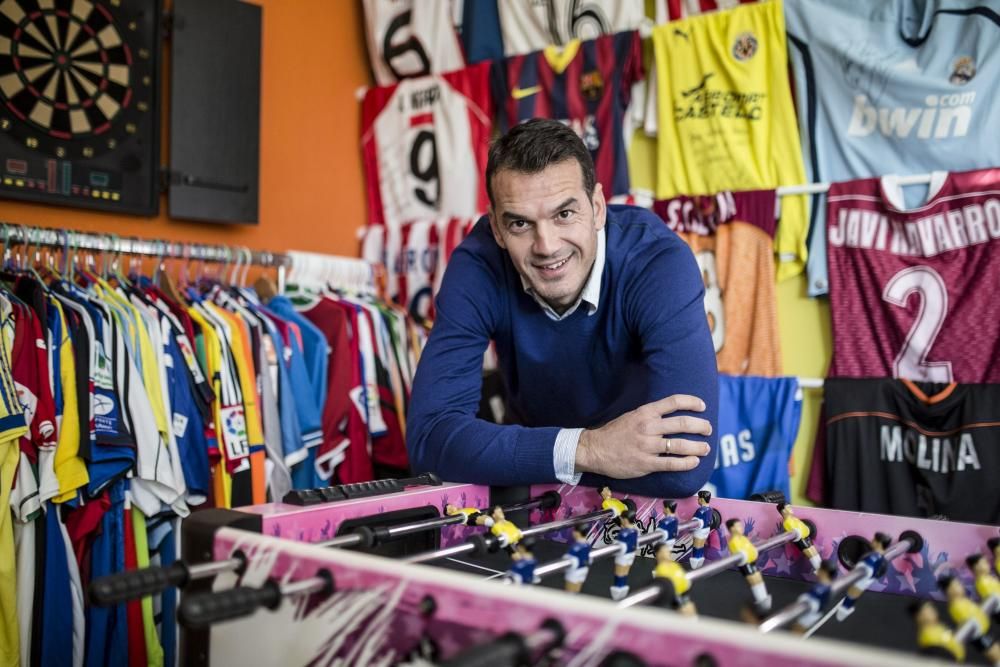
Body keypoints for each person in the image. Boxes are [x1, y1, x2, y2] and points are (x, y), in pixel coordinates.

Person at [406, 119, 718, 497]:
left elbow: (683, 472)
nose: (547, 245)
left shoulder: (657, 264)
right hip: (542, 498)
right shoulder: (479, 265)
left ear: (598, 207)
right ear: (498, 230)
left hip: (637, 499)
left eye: (564, 214)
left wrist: (515, 461)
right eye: (520, 223)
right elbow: (428, 439)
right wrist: (588, 449)